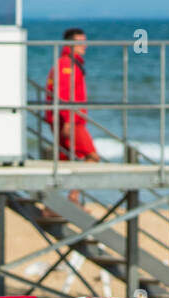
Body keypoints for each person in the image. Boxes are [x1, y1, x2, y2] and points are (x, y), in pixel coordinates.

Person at [45, 27, 100, 203]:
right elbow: (62, 94)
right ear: (70, 44)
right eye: (79, 42)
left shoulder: (70, 62)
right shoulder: (66, 64)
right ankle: (72, 197)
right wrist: (68, 121)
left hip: (69, 119)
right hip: (70, 120)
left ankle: (55, 203)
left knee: (66, 160)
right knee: (92, 156)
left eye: (84, 41)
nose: (84, 45)